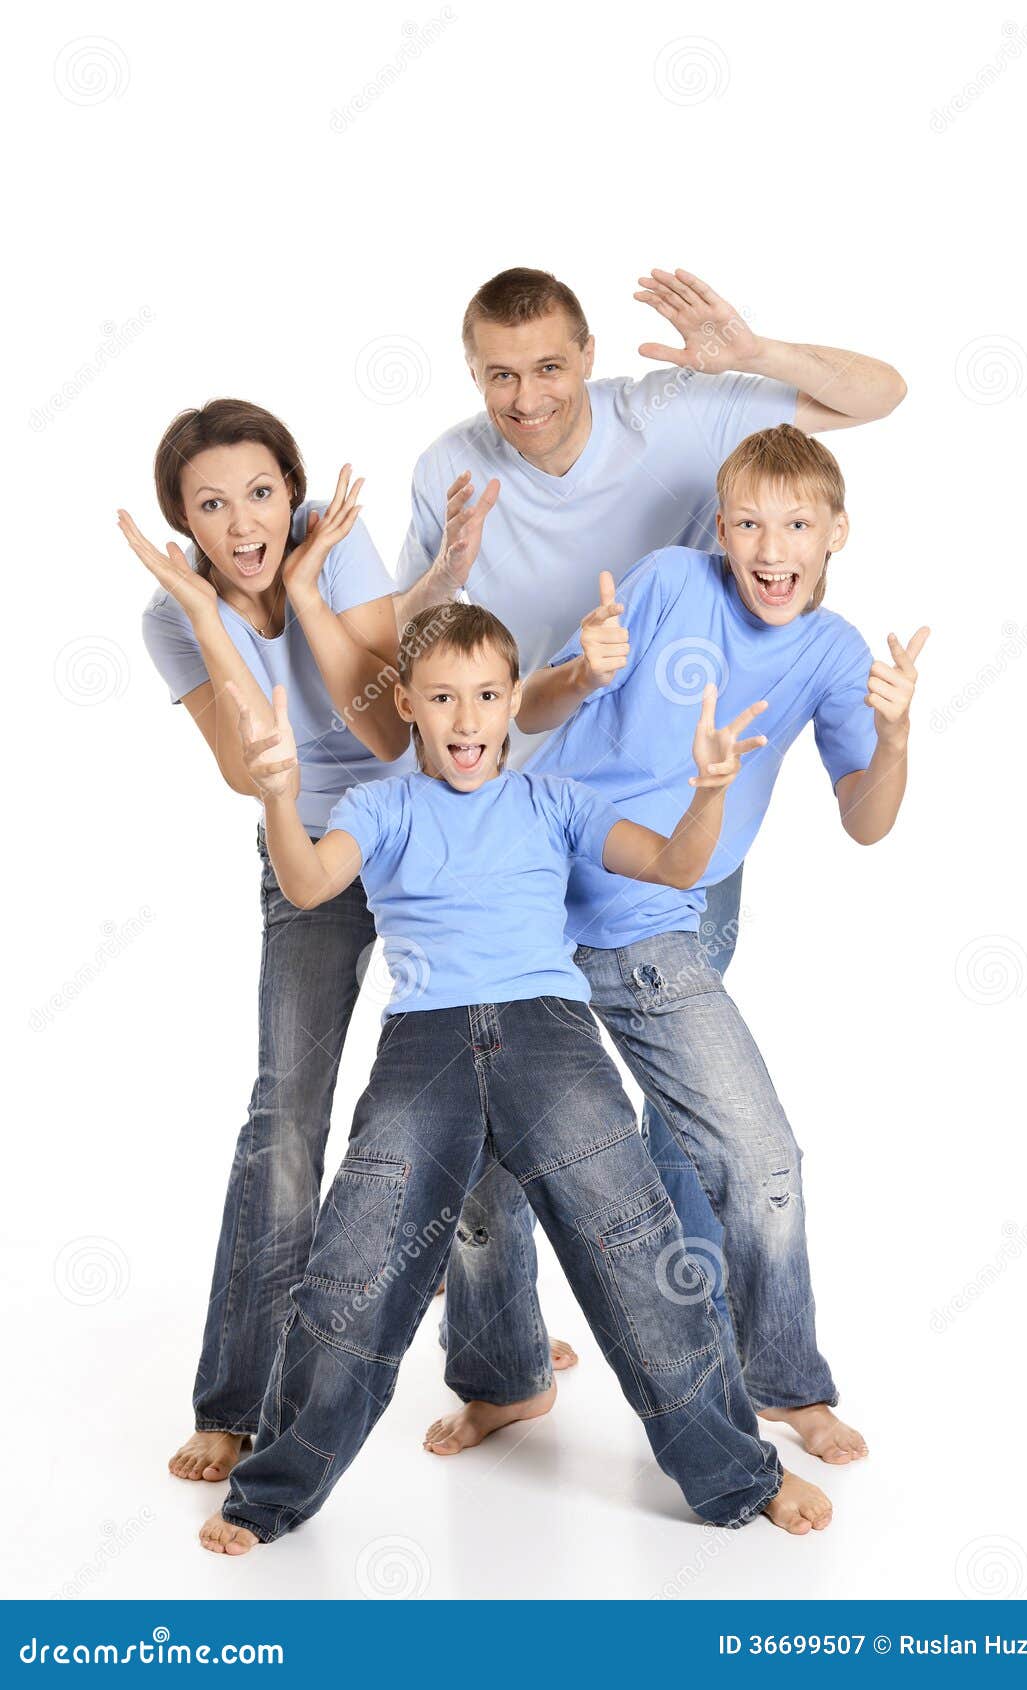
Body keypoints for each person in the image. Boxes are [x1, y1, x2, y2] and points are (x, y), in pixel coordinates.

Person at [198, 601, 836, 1554]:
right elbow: (307, 885)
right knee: (352, 1271)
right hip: (425, 1051)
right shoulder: (382, 805)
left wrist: (708, 792)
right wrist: (279, 797)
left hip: (551, 1039)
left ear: (511, 703)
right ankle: (271, 1495)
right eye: (444, 698)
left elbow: (670, 864)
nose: (467, 721)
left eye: (489, 697)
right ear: (406, 704)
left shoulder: (553, 799)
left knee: (639, 1258)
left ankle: (742, 1474)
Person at [394, 265, 907, 1394]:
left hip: (665, 888)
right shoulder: (467, 476)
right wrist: (563, 662)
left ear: (589, 357)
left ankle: (732, 1360)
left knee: (714, 1133)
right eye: (499, 374)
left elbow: (879, 394)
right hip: (520, 847)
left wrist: (753, 349)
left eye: (548, 366)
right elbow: (425, 662)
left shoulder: (674, 423)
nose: (525, 396)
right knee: (484, 1146)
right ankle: (503, 1369)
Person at [129, 399, 421, 1485]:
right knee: (286, 1109)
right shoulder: (172, 616)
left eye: (259, 493)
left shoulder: (335, 554)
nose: (242, 520)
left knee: (479, 1075)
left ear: (290, 492)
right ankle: (235, 1394)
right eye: (211, 505)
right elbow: (246, 767)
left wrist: (303, 591)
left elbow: (391, 729)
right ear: (186, 524)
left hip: (420, 828)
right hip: (303, 842)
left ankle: (498, 1352)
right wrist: (211, 619)